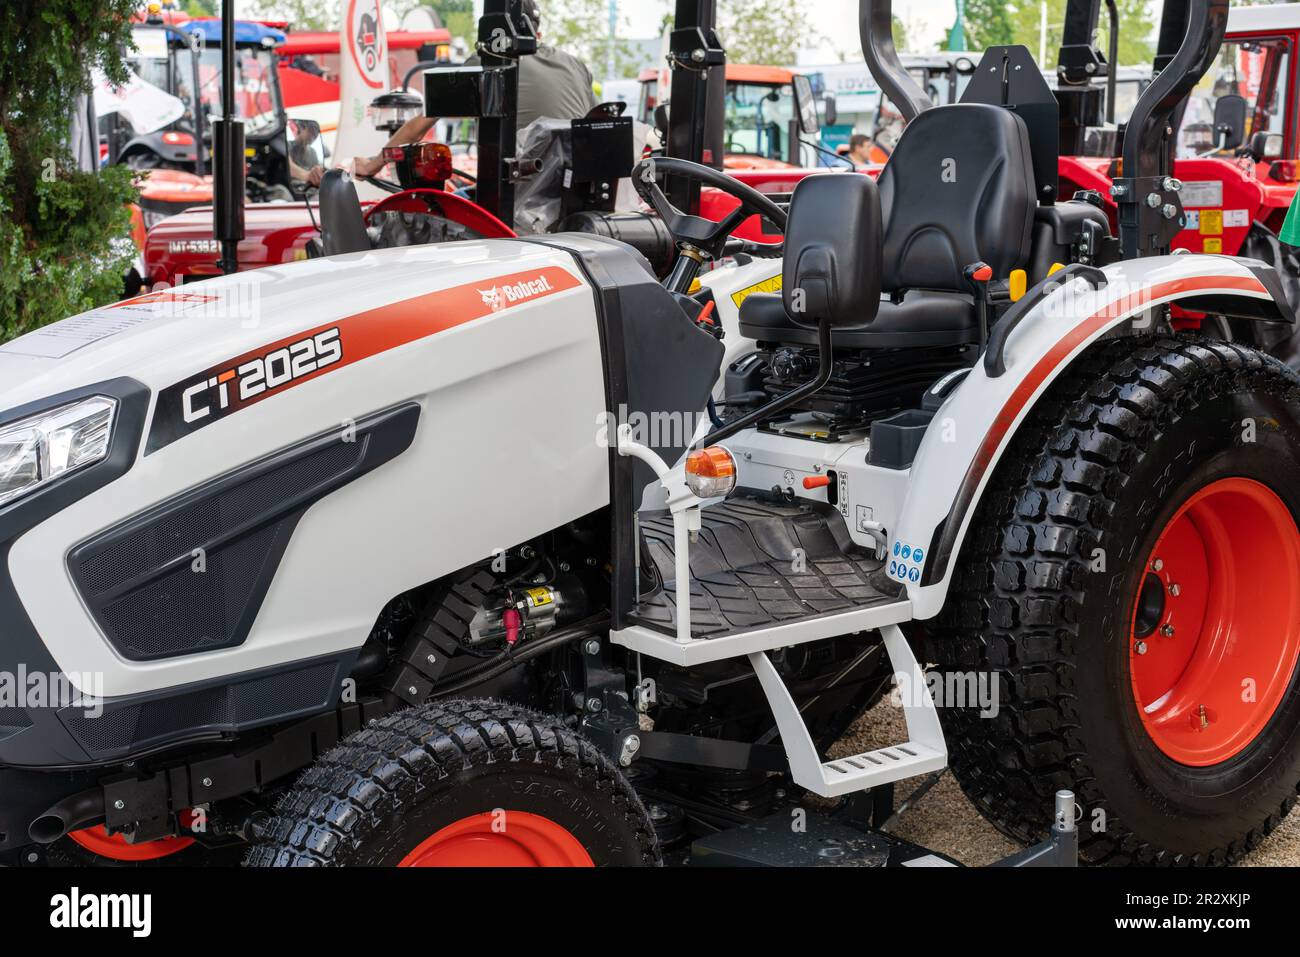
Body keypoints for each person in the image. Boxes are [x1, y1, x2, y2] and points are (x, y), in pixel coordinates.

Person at [307, 0, 596, 186]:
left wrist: (373, 163)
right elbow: (595, 123)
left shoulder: (491, 59)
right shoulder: (577, 66)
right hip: (577, 194)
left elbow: (419, 127)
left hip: (515, 199)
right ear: (538, 35)